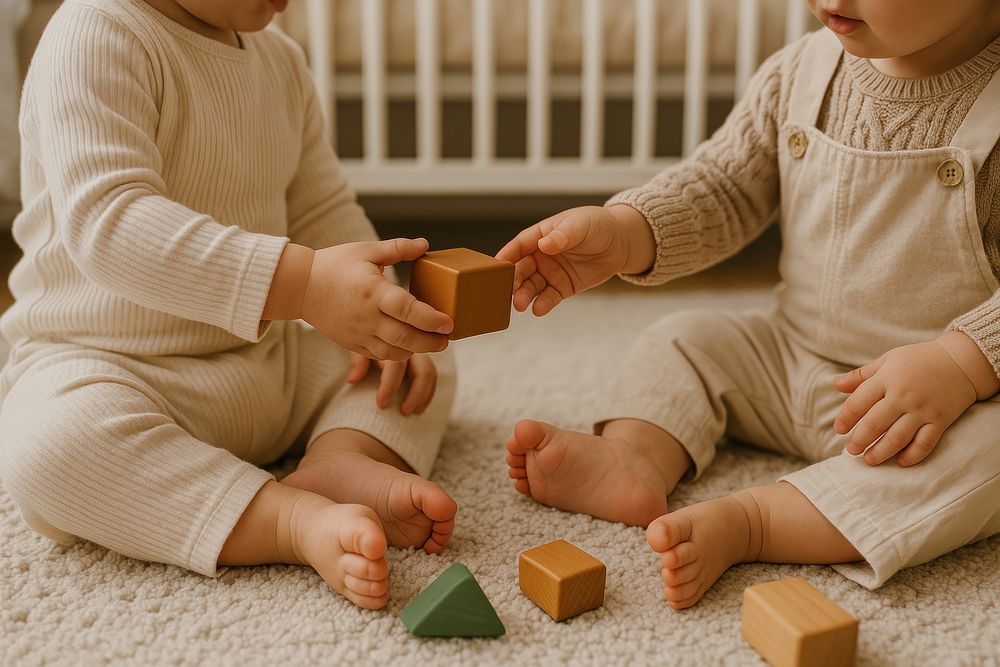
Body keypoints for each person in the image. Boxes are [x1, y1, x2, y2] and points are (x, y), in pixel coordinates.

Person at [500, 0, 1000, 609]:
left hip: (939, 415)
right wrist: (625, 233)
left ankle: (758, 520)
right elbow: (721, 188)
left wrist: (961, 362)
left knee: (990, 454)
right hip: (789, 359)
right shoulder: (803, 71)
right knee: (684, 339)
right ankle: (636, 455)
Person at [0, 0, 459, 610]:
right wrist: (302, 285)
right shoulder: (94, 32)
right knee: (51, 447)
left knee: (421, 356)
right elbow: (109, 224)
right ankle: (284, 518)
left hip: (267, 363)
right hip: (115, 367)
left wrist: (377, 309)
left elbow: (323, 212)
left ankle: (342, 457)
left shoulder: (282, 63)